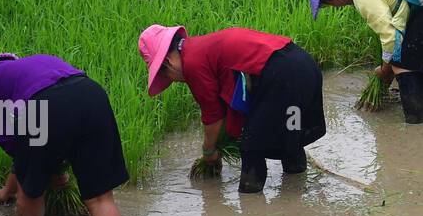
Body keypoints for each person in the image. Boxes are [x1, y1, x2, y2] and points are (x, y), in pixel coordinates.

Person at [0, 47, 127, 216]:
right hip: (92, 95)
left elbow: (16, 149)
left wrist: (42, 176)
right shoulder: (32, 64)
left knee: (29, 193)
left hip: (45, 104)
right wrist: (54, 170)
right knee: (100, 198)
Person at [139, 25, 326, 193]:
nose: (174, 81)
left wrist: (209, 152)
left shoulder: (193, 64)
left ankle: (251, 210)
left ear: (167, 63)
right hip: (304, 67)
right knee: (290, 133)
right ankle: (296, 194)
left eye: (166, 76)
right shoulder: (202, 47)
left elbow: (213, 116)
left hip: (284, 77)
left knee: (251, 146)